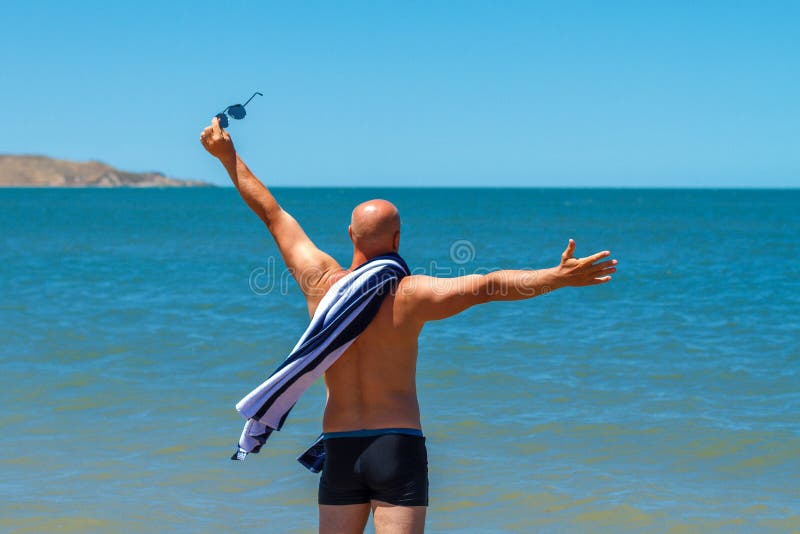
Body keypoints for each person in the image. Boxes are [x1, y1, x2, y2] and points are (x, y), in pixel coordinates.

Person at [200, 117, 617, 534]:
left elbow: (272, 215)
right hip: (396, 445)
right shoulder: (411, 293)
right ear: (397, 241)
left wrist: (228, 156)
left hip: (342, 446)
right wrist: (557, 277)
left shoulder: (320, 286)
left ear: (350, 235)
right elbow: (490, 286)